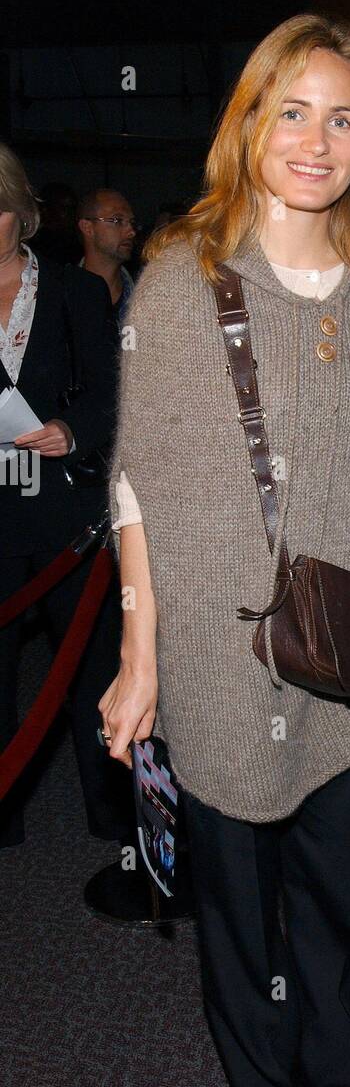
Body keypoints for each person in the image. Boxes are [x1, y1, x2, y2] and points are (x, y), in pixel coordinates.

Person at [99, 15, 350, 1087]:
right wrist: (142, 656)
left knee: (339, 898)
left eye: (342, 117)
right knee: (238, 905)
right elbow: (136, 473)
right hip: (226, 649)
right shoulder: (185, 277)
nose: (316, 140)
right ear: (250, 122)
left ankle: (345, 1076)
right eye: (293, 110)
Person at [0, 142, 132, 852]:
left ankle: (111, 814)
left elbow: (115, 395)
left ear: (19, 214)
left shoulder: (75, 291)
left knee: (89, 667)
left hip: (63, 514)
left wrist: (71, 430)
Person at [77, 189, 137, 329]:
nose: (131, 231)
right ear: (87, 227)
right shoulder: (63, 298)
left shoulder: (144, 294)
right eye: (117, 220)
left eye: (132, 222)